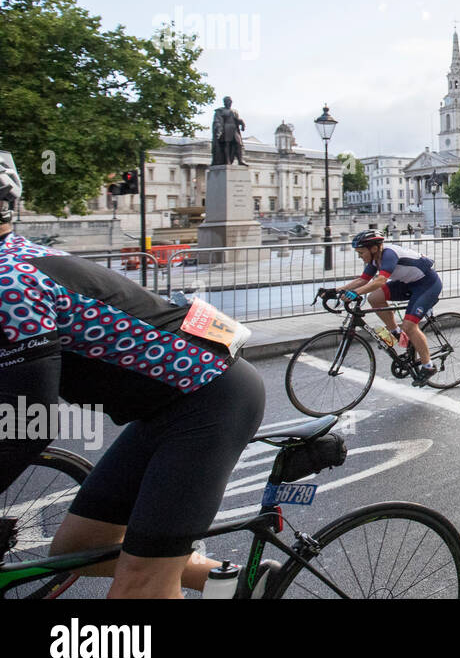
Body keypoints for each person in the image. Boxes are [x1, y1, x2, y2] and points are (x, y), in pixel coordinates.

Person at [0, 154, 266, 598]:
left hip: (211, 397)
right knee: (80, 550)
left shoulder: (8, 280)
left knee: (136, 587)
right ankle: (241, 583)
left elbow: (31, 421)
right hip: (165, 405)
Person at [330, 230, 443, 381]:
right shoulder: (374, 259)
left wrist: (355, 293)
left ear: (374, 248)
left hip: (427, 284)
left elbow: (380, 281)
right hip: (408, 283)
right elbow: (362, 280)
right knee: (374, 298)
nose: (360, 256)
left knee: (410, 326)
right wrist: (334, 291)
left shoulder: (389, 254)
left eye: (361, 252)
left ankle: (429, 366)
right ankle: (396, 332)